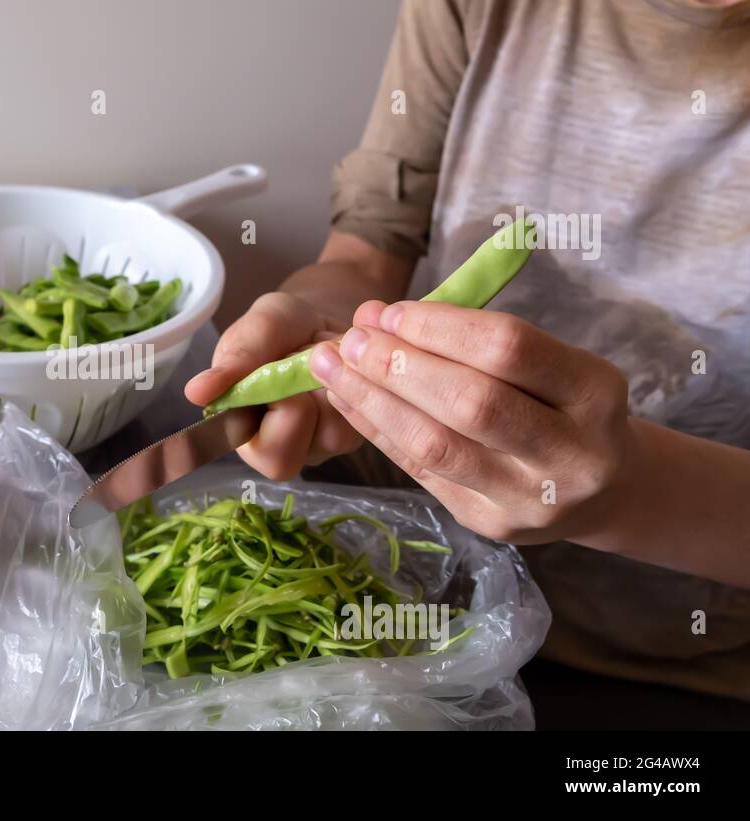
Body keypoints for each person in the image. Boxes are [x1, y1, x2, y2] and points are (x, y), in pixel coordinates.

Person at [187, 0, 750, 699]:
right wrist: (318, 316)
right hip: (410, 607)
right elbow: (368, 251)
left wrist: (629, 492)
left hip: (673, 670)